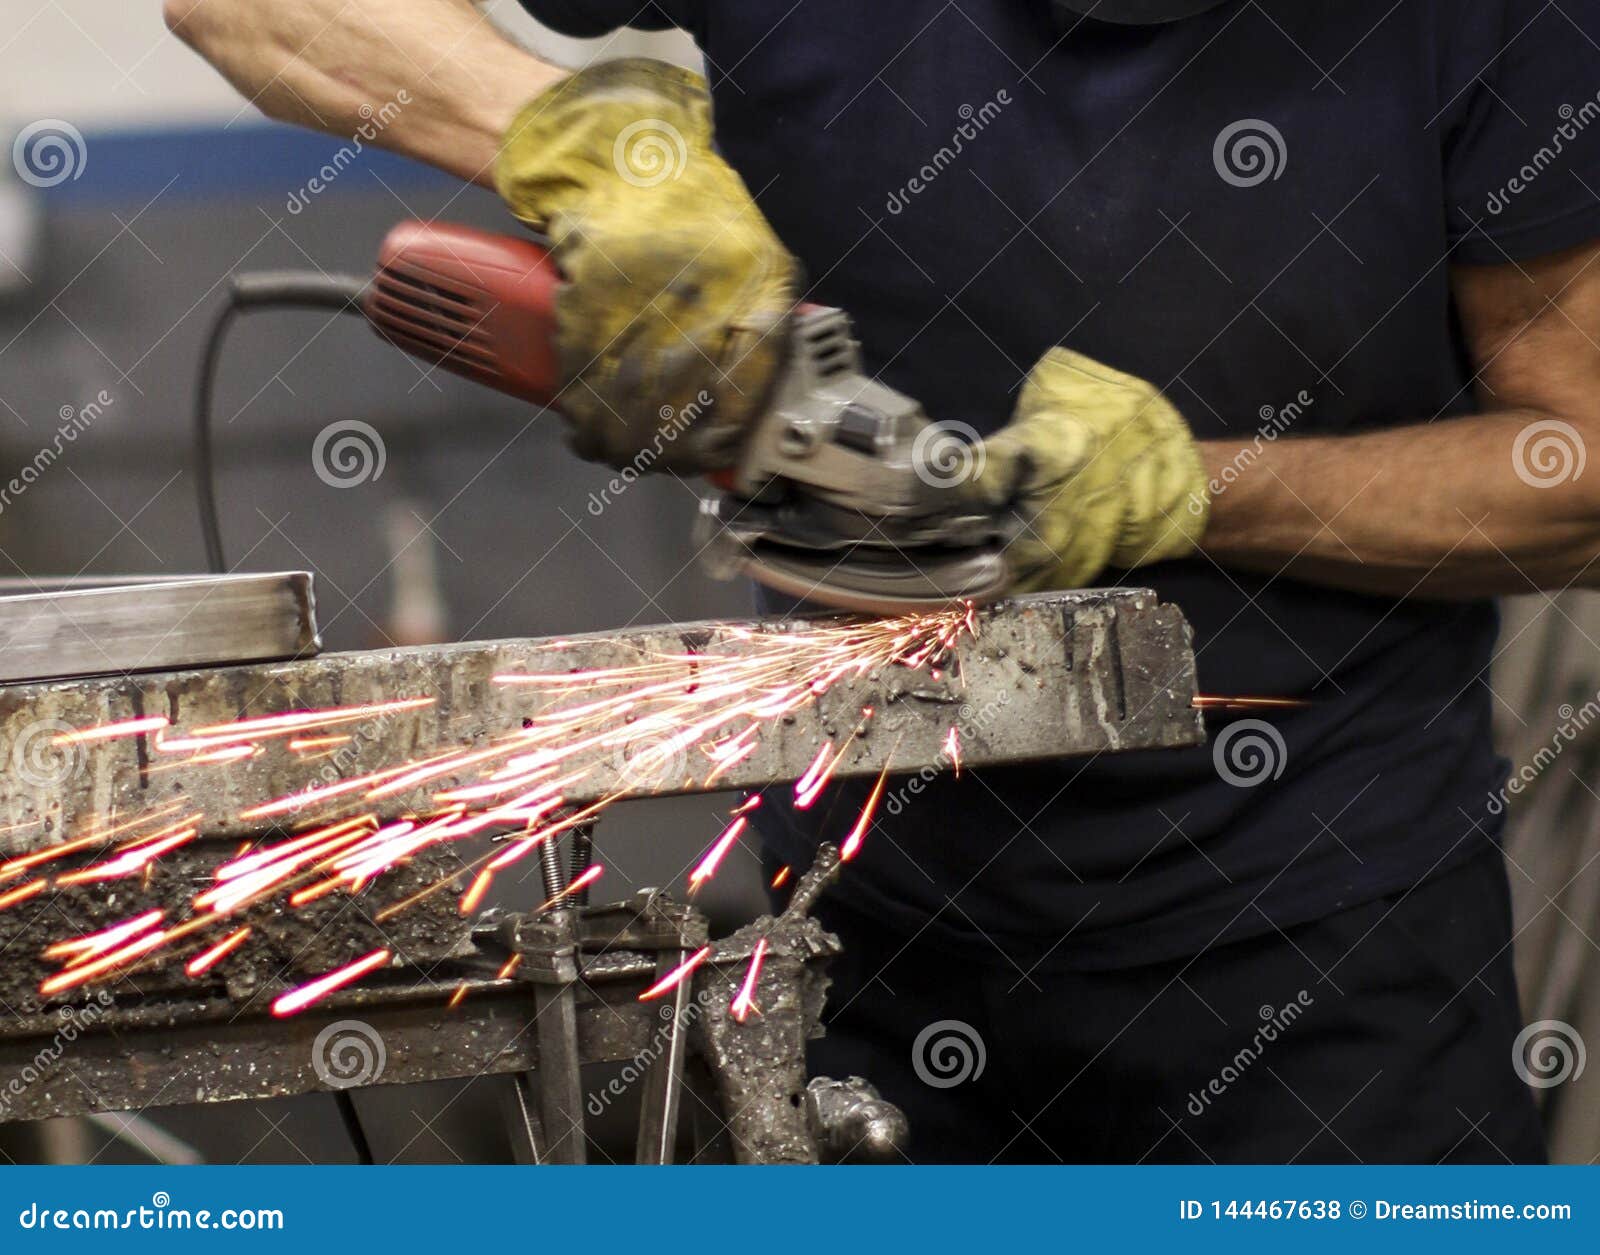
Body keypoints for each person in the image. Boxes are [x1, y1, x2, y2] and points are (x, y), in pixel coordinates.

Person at [168, 0, 1600, 1162]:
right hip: (853, 931)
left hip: (1328, 955)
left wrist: (1195, 489)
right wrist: (572, 141)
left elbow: (1577, 462)